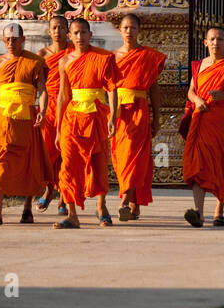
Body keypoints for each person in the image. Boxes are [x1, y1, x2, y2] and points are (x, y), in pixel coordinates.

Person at [181, 25, 224, 228]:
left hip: (223, 123)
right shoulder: (199, 66)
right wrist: (196, 99)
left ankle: (219, 211)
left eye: (220, 39)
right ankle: (199, 213)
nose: (216, 43)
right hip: (201, 119)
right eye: (212, 39)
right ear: (205, 42)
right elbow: (191, 91)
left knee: (222, 163)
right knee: (197, 165)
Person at [54, 17, 119, 230]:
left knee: (98, 163)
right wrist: (57, 129)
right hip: (72, 119)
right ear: (69, 36)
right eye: (76, 33)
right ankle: (72, 214)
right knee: (69, 166)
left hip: (96, 116)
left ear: (90, 35)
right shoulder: (64, 61)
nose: (80, 37)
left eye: (84, 33)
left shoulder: (103, 58)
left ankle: (101, 207)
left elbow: (111, 88)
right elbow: (63, 96)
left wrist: (112, 117)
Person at [0, 22, 51, 226]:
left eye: (15, 39)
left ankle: (27, 209)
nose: (11, 43)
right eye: (7, 40)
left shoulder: (36, 62)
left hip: (28, 118)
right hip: (3, 119)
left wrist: (43, 111)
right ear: (3, 41)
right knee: (0, 161)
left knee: (29, 162)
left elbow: (43, 90)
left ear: (23, 39)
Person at [110, 13, 165, 222]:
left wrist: (156, 118)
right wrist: (110, 117)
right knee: (121, 158)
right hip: (118, 112)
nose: (129, 31)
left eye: (133, 28)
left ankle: (124, 201)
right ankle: (134, 203)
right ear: (120, 30)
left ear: (139, 31)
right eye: (125, 28)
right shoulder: (112, 57)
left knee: (136, 158)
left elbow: (154, 89)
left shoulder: (148, 56)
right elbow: (109, 88)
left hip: (140, 110)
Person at [36, 14, 71, 215]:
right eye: (54, 28)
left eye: (61, 27)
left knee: (67, 154)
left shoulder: (74, 52)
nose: (58, 31)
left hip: (69, 105)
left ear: (68, 30)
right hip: (49, 107)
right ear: (49, 32)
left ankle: (64, 198)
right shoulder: (42, 55)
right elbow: (38, 86)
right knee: (47, 153)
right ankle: (49, 188)